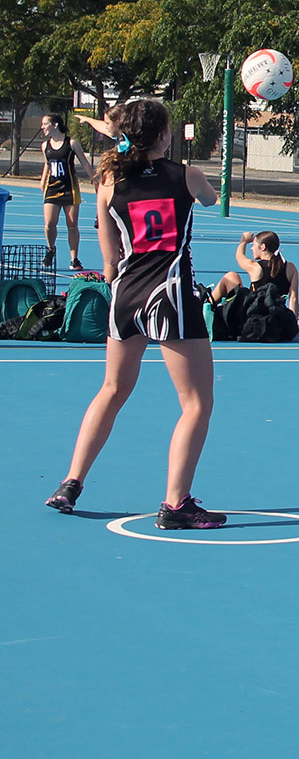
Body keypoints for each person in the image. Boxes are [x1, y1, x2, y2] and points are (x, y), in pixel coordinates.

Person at [43, 99, 226, 529]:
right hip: (171, 294)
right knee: (197, 403)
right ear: (164, 135)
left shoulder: (108, 180)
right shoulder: (186, 175)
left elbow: (108, 260)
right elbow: (211, 197)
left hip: (125, 294)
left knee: (112, 389)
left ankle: (71, 483)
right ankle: (176, 504)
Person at [38, 113, 97, 270]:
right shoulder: (45, 146)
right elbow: (47, 164)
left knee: (72, 225)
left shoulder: (71, 143)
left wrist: (94, 178)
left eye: (45, 124)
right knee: (49, 224)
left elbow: (84, 163)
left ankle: (74, 259)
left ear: (55, 125)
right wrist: (43, 180)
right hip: (52, 189)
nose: (42, 127)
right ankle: (51, 249)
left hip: (69, 189)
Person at [211, 230, 299, 318]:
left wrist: (244, 241)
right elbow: (293, 299)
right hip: (276, 317)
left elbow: (239, 257)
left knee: (231, 276)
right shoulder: (290, 268)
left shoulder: (255, 267)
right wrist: (292, 323)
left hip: (253, 318)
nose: (252, 248)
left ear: (262, 247)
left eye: (254, 245)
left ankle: (207, 306)